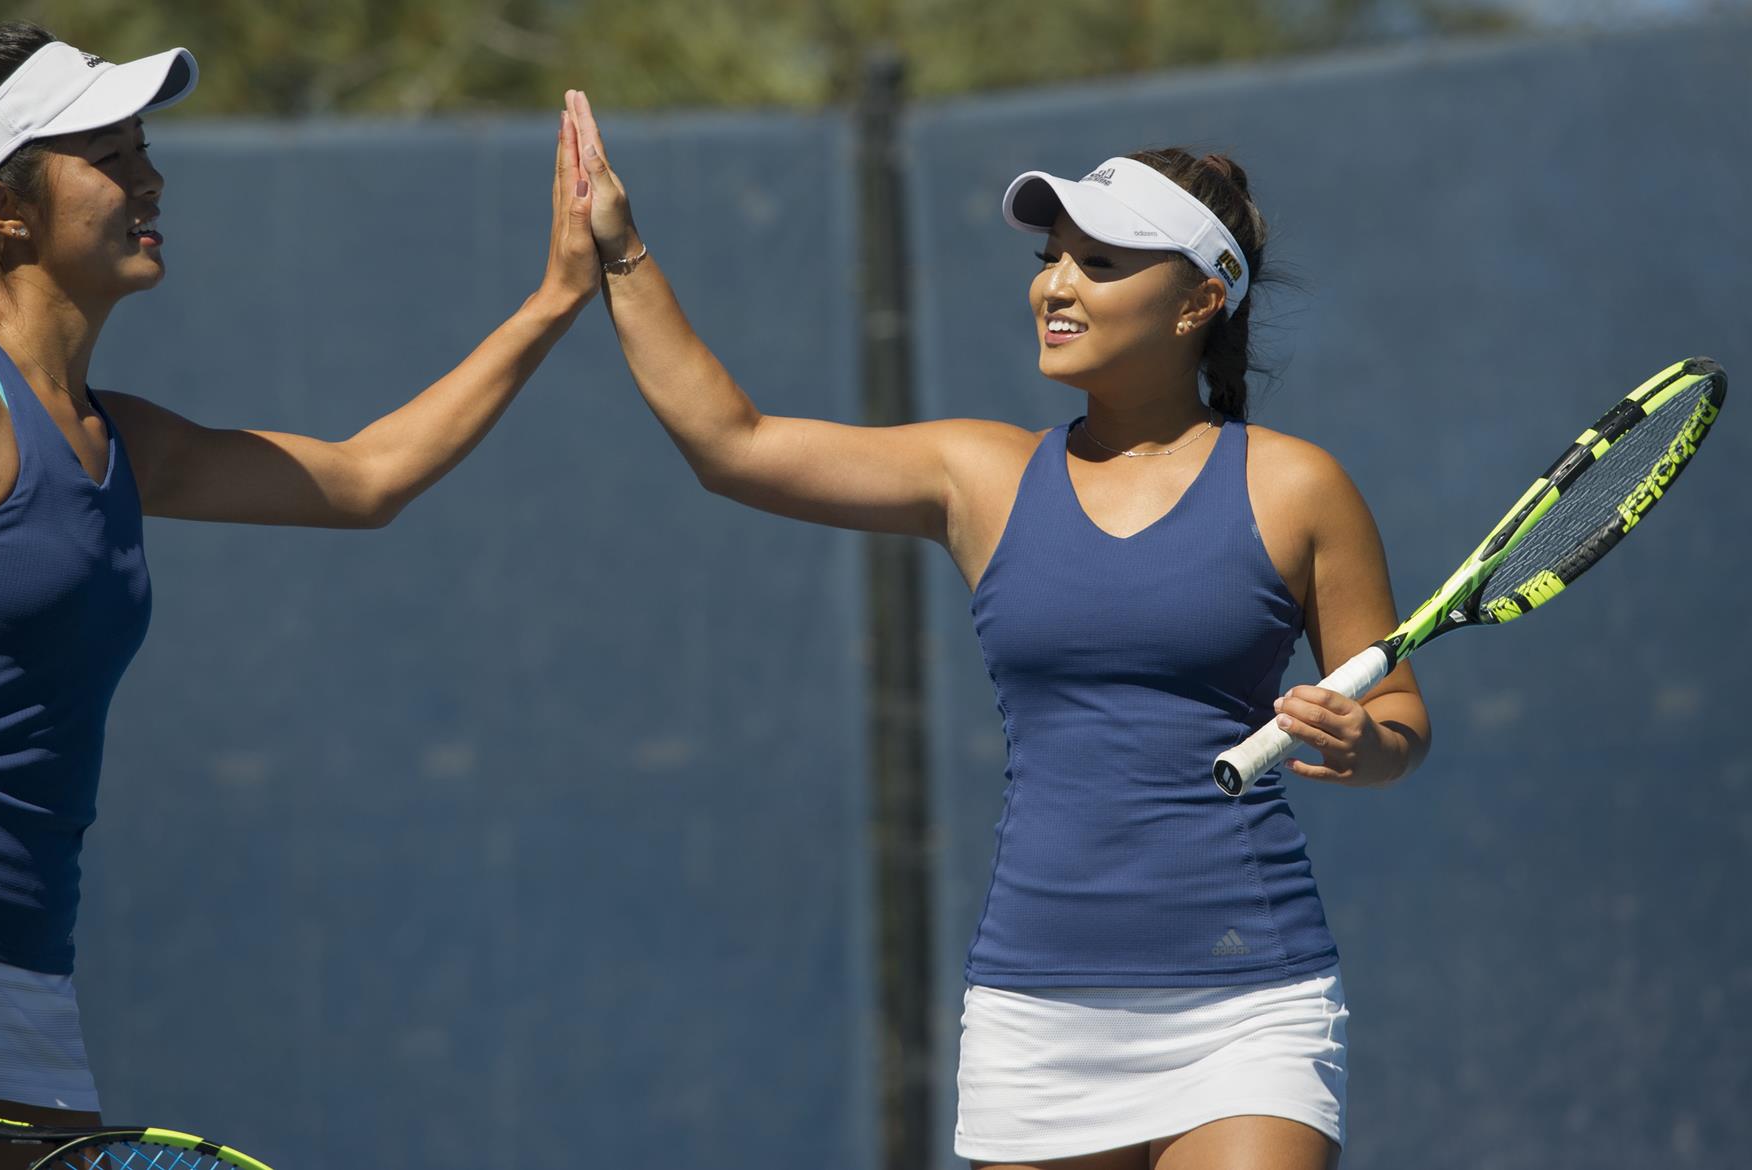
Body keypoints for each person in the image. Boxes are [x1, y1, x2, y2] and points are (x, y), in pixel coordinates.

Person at [0, 23, 602, 1168]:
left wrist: (556, 296)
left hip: (15, 962)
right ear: (4, 209)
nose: (148, 176)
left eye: (140, 146)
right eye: (107, 154)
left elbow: (363, 479)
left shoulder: (115, 437)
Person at [563, 88, 1430, 1170]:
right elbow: (729, 444)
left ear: (1198, 301)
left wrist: (1365, 744)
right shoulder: (977, 474)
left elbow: (1394, 710)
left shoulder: (1298, 487)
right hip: (1036, 1013)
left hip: (1249, 1001)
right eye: (1050, 258)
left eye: (1100, 264)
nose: (1055, 285)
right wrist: (624, 248)